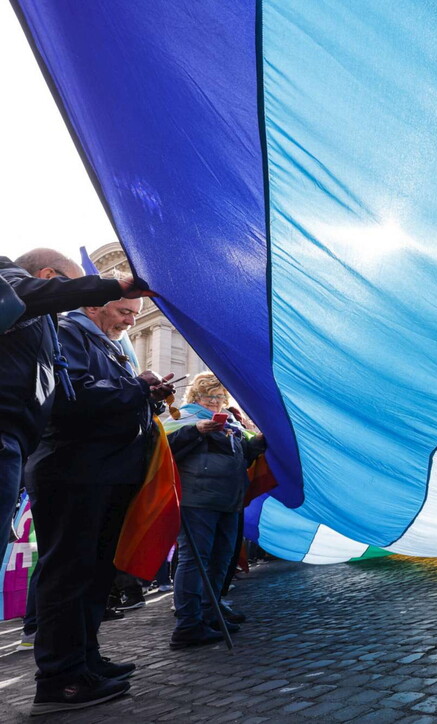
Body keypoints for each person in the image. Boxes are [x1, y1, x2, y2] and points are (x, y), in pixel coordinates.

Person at [24, 291, 173, 715]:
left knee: (93, 575)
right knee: (69, 574)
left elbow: (110, 399)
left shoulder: (105, 346)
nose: (129, 322)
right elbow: (75, 396)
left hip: (102, 473)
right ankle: (60, 679)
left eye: (134, 315)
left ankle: (84, 660)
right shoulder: (70, 333)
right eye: (124, 311)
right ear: (93, 305)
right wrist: (137, 387)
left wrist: (148, 396)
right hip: (74, 472)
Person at [0, 251, 143, 536]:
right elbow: (75, 396)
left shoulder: (43, 324)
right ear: (49, 277)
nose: (76, 302)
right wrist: (111, 286)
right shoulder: (8, 276)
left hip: (18, 441)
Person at [166, 373, 265, 649]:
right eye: (211, 397)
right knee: (195, 559)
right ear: (196, 397)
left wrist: (260, 441)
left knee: (222, 559)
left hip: (228, 499)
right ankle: (188, 624)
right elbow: (164, 449)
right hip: (198, 499)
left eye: (220, 397)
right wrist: (196, 430)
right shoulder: (182, 417)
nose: (217, 403)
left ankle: (210, 613)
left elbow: (243, 454)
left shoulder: (230, 424)